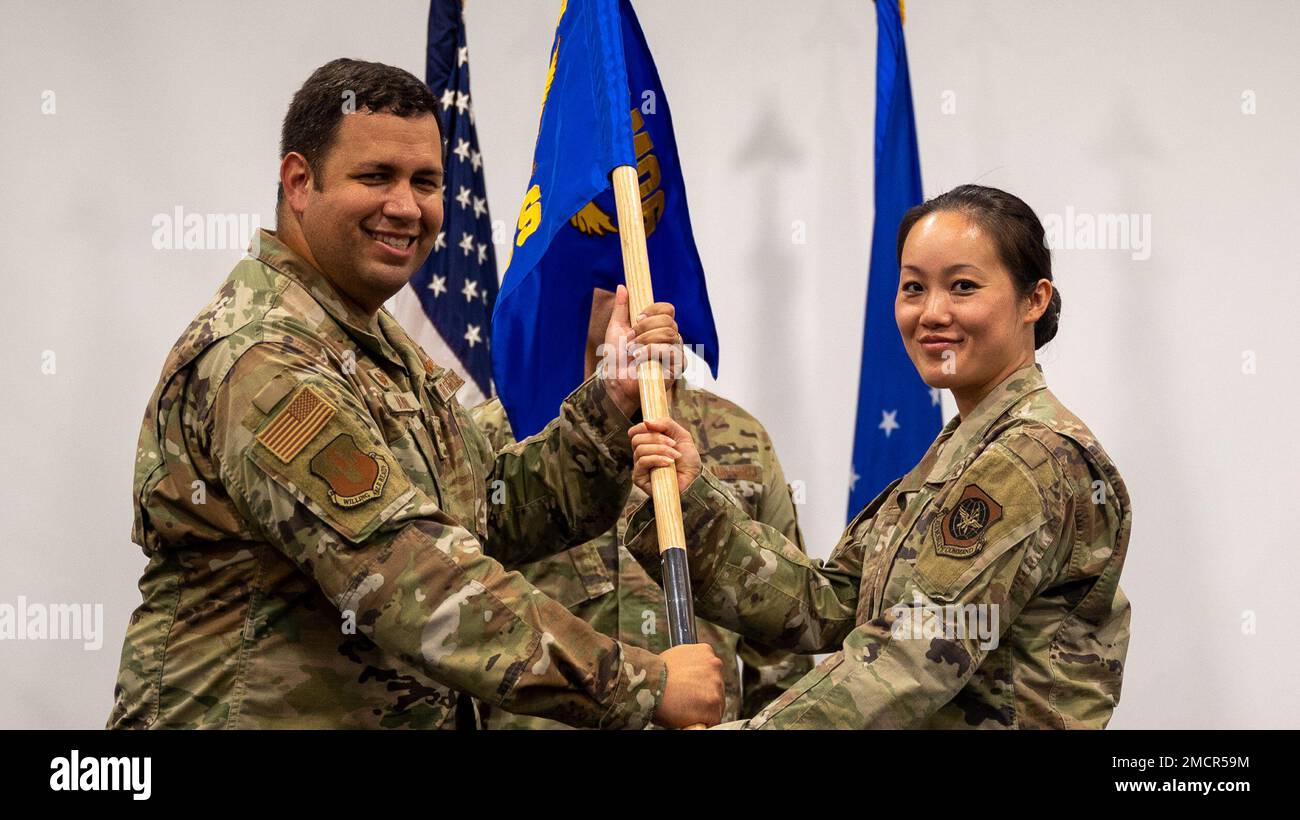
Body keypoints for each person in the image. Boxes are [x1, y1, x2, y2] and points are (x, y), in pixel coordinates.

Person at [109, 58, 723, 730]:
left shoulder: (377, 347)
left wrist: (611, 397)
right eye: (375, 177)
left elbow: (493, 515)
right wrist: (640, 683)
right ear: (299, 182)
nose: (406, 207)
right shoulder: (264, 358)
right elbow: (408, 580)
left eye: (426, 182)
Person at [625, 184, 1132, 729]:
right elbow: (829, 604)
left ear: (1034, 300)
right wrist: (693, 509)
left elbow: (913, 655)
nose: (932, 313)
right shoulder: (963, 451)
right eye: (913, 288)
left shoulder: (1031, 457)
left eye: (963, 287)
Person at [471, 288, 814, 728]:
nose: (628, 288)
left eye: (638, 260)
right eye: (601, 271)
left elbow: (779, 644)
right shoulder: (501, 434)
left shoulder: (741, 437)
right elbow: (460, 620)